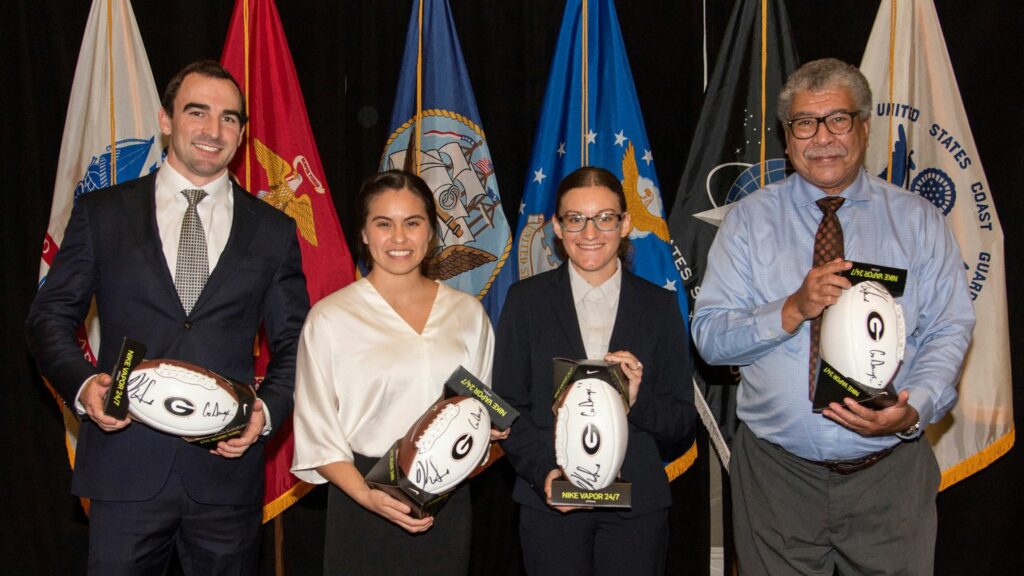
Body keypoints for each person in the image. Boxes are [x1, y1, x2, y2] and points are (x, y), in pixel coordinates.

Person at [691, 58, 975, 576]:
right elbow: (710, 338)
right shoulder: (749, 222)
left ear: (864, 126)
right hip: (777, 478)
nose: (822, 137)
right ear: (787, 134)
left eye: (838, 119)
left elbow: (949, 327)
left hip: (889, 477)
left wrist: (916, 409)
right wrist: (793, 308)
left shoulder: (917, 221)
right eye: (805, 122)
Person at [25, 60, 309, 575]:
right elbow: (47, 318)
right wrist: (85, 386)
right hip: (123, 468)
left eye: (228, 118)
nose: (212, 130)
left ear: (242, 134)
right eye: (196, 112)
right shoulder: (102, 213)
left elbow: (295, 341)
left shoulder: (273, 230)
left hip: (225, 475)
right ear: (165, 119)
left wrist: (264, 413)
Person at [291, 170, 499, 575]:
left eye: (413, 223)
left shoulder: (468, 313)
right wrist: (368, 496)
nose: (399, 238)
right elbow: (316, 432)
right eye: (383, 224)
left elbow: (481, 409)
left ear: (432, 233)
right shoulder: (330, 317)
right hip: (361, 501)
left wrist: (488, 434)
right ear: (365, 234)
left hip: (446, 501)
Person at [494, 166, 695, 576]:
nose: (590, 232)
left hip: (636, 508)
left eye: (605, 217)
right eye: (576, 219)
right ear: (557, 226)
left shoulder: (658, 307)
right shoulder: (525, 302)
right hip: (551, 502)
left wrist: (636, 401)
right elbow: (507, 407)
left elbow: (681, 421)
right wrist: (545, 473)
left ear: (625, 224)